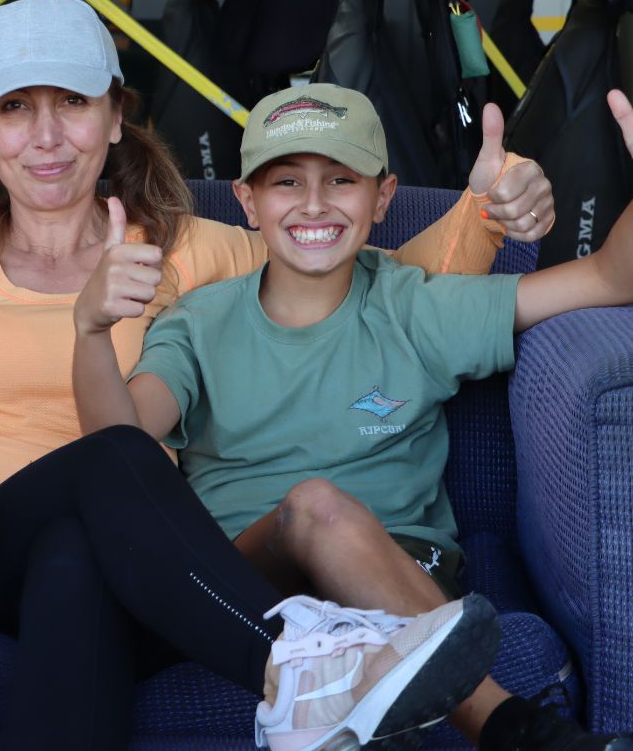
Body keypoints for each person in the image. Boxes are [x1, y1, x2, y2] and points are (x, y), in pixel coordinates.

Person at [0, 0, 557, 750]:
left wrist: (488, 211)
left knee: (76, 556)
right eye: (14, 108)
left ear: (115, 118)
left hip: (132, 573)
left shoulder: (188, 251)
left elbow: (373, 284)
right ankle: (292, 666)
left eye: (72, 103)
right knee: (107, 459)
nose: (46, 136)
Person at [76, 82, 633, 751]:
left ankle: (372, 684)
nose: (314, 203)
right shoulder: (198, 320)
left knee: (338, 563)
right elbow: (121, 447)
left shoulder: (414, 305)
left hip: (401, 570)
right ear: (248, 202)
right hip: (245, 586)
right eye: (286, 182)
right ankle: (509, 725)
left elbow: (608, 279)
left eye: (341, 179)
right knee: (313, 507)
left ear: (383, 198)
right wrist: (91, 331)